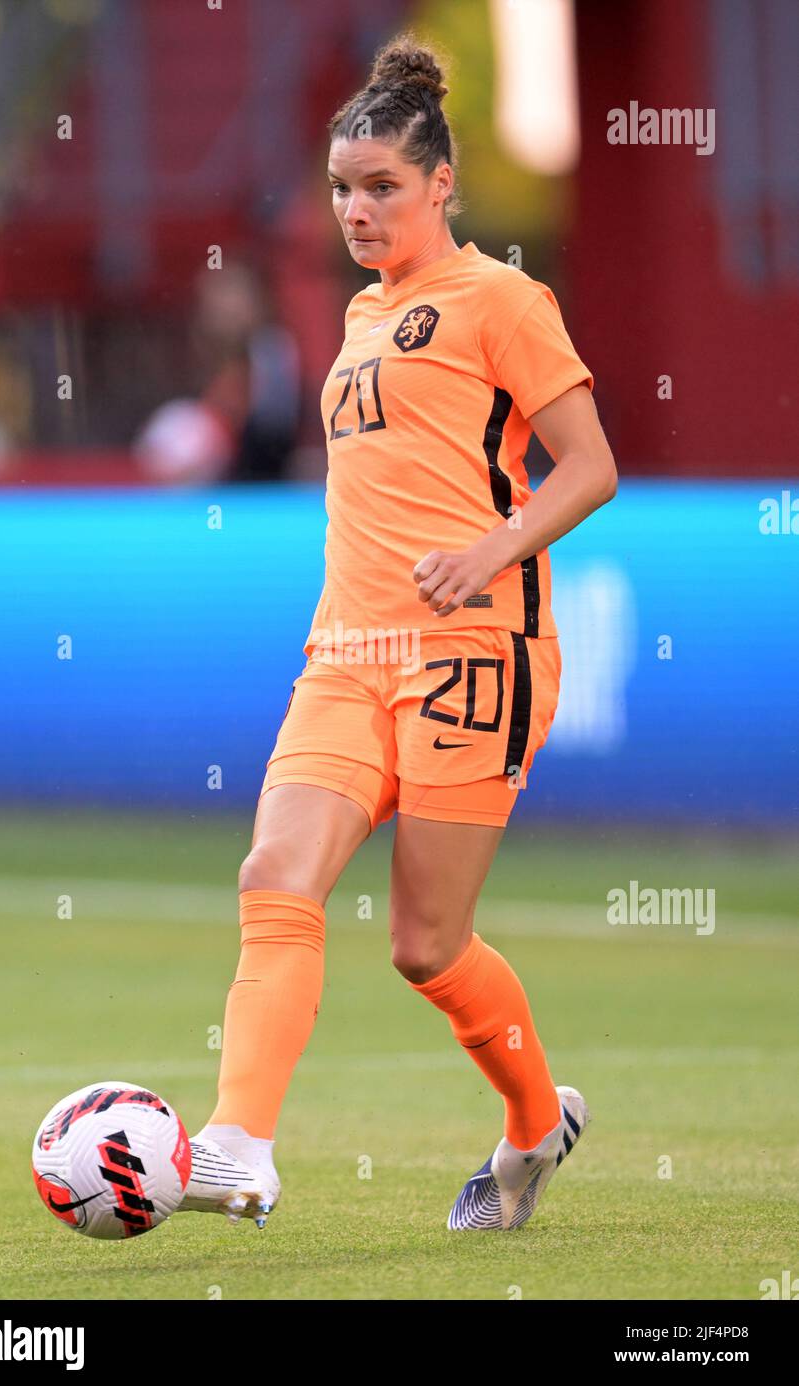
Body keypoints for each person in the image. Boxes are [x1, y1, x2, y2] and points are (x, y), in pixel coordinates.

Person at [177, 32, 617, 1233]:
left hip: (476, 652)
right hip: (345, 657)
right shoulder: (362, 319)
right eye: (339, 189)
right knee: (273, 876)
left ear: (440, 185)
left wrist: (489, 550)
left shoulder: (501, 300)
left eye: (380, 186)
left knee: (425, 946)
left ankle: (535, 1124)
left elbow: (590, 467)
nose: (356, 210)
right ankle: (237, 1145)